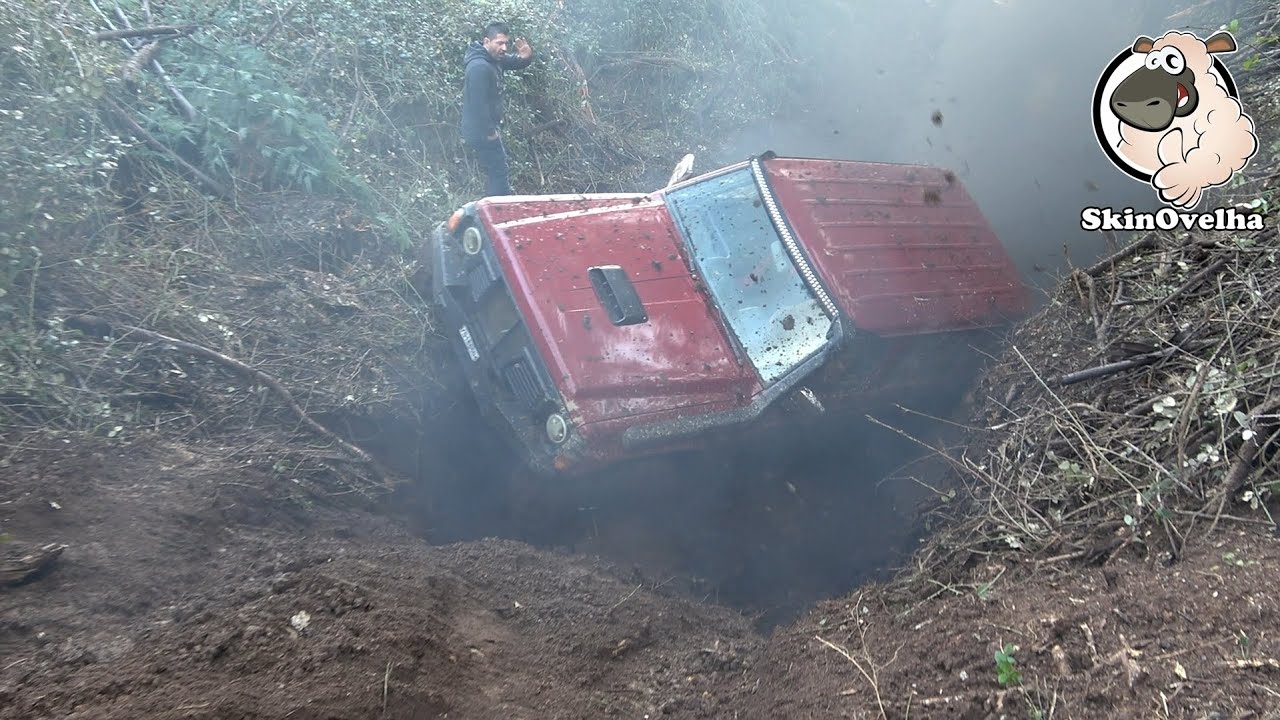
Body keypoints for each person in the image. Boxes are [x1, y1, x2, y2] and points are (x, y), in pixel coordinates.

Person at [460, 21, 534, 197]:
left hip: (486, 127)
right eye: (499, 43)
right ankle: (500, 207)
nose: (504, 48)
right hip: (480, 130)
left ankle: (497, 201)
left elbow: (515, 62)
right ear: (487, 41)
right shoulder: (479, 67)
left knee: (497, 169)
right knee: (499, 170)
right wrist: (490, 132)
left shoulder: (493, 58)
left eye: (506, 43)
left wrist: (526, 55)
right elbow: (478, 105)